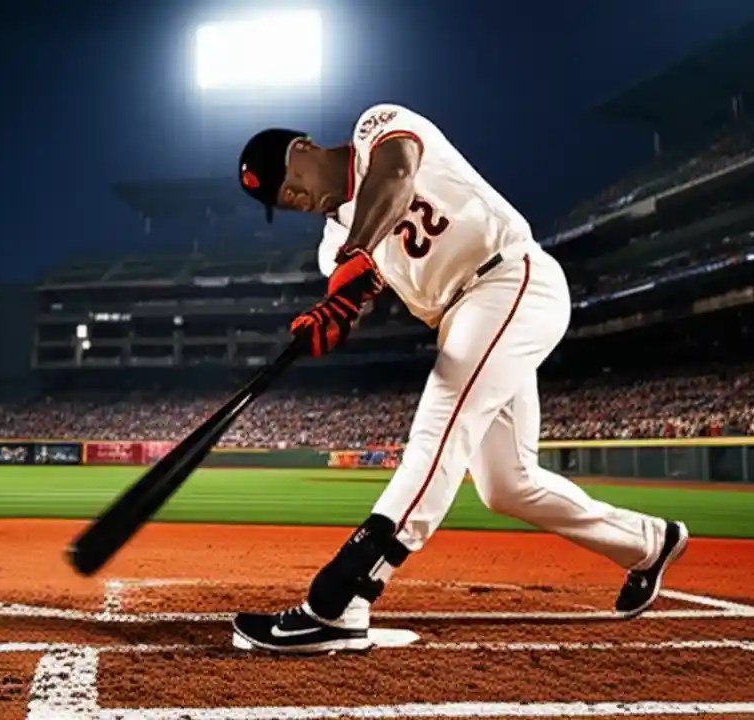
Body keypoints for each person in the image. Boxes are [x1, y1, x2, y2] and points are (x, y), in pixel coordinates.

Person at [230, 104, 689, 653]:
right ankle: (648, 543)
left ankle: (341, 599)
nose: (293, 200)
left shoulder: (378, 127)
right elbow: (356, 288)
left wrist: (355, 260)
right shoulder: (332, 245)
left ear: (303, 149)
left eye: (287, 183)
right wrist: (334, 315)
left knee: (438, 430)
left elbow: (396, 179)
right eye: (281, 202)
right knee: (507, 483)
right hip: (462, 317)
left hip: (509, 278)